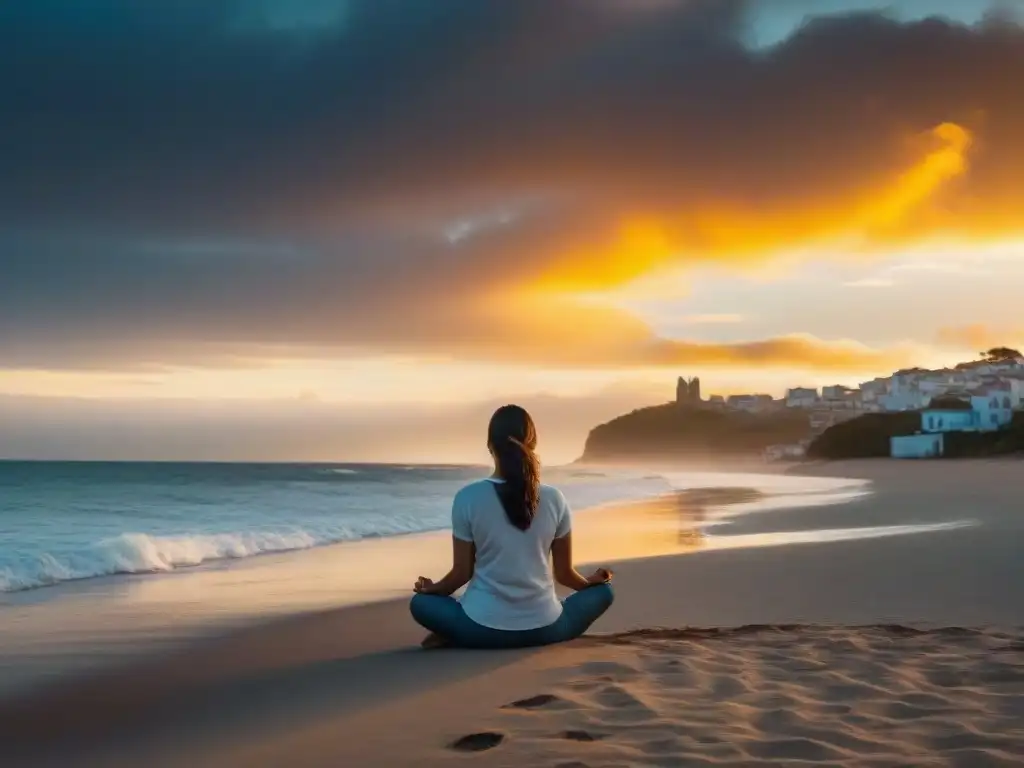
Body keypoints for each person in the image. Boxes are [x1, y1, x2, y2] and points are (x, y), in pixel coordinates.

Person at [409, 404, 615, 649]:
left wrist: (433, 589)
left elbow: (460, 575)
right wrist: (589, 585)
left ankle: (456, 632)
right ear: (533, 444)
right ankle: (461, 631)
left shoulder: (468, 497)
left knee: (420, 604)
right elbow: (564, 575)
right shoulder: (554, 498)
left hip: (481, 630)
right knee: (605, 593)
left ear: (489, 446)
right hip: (548, 629)